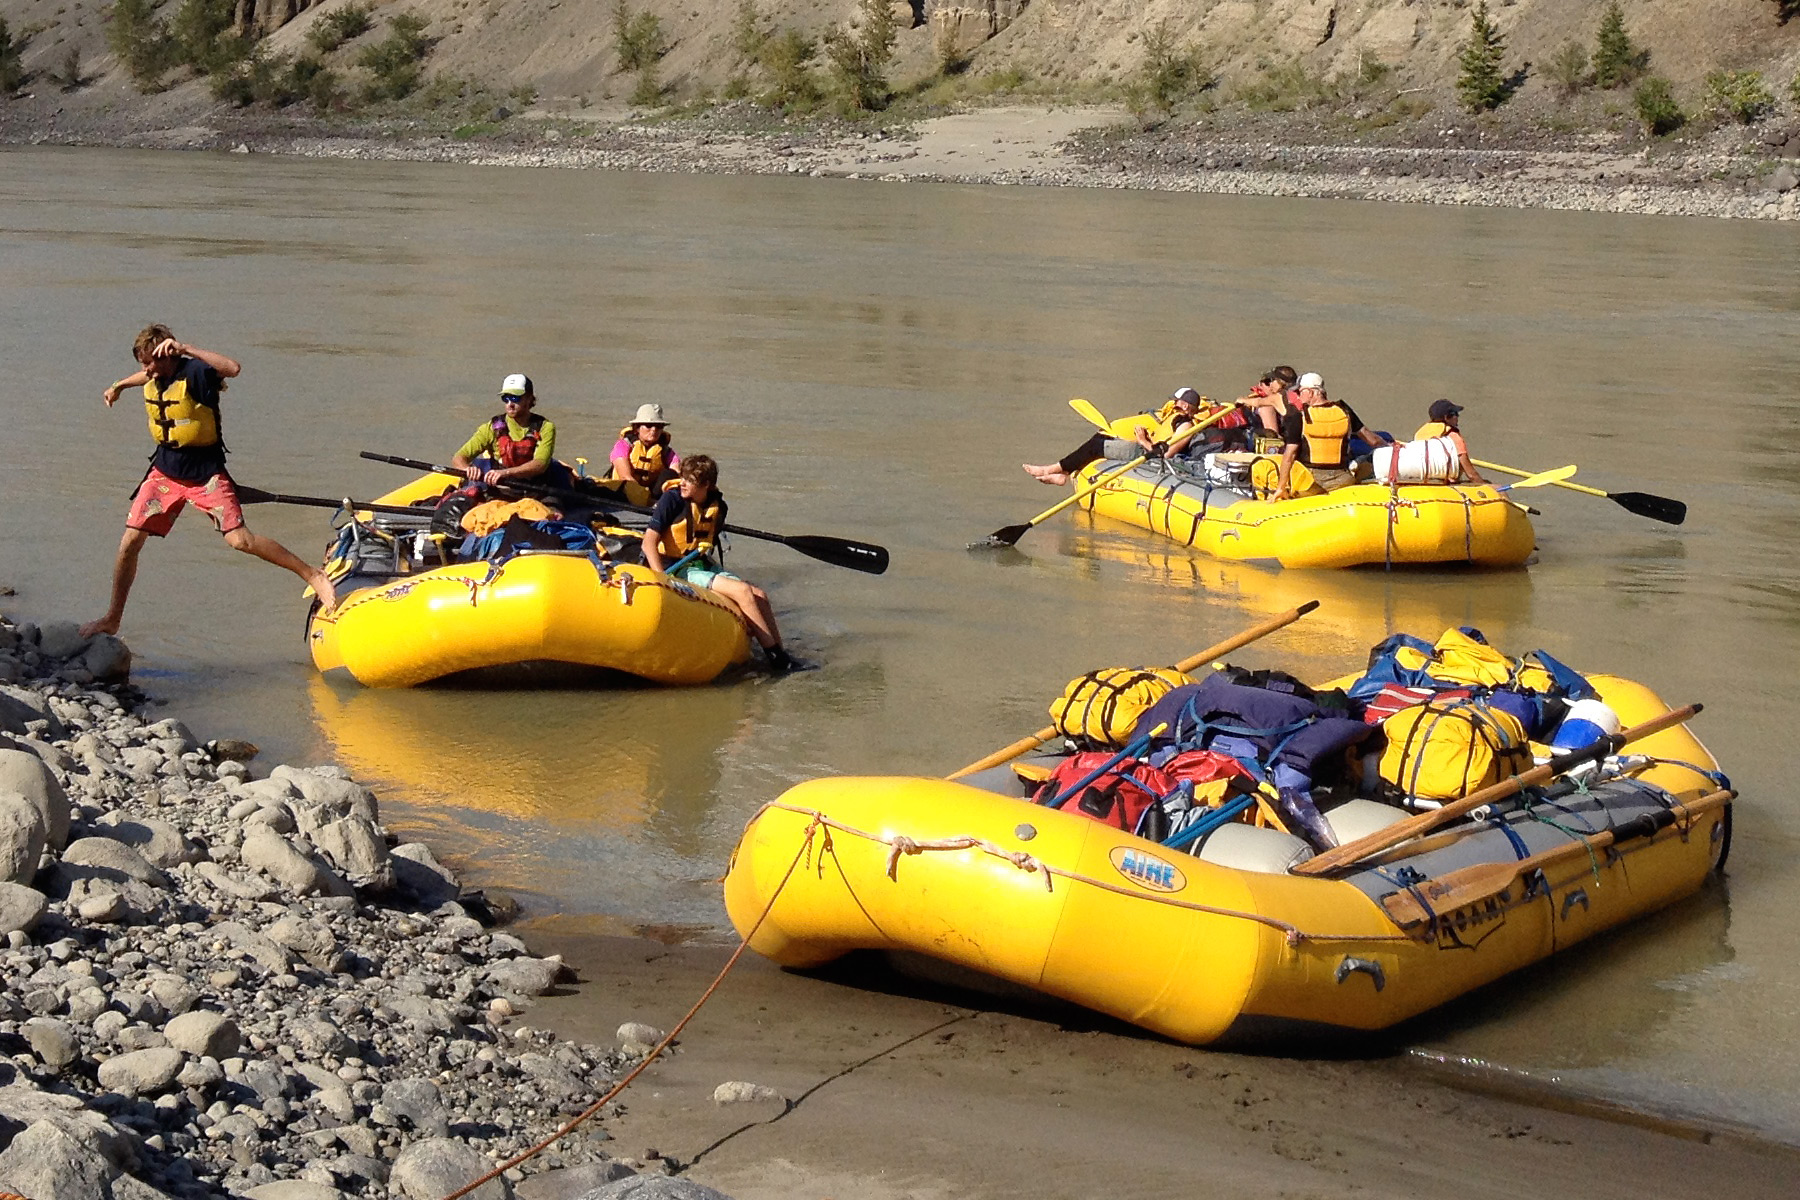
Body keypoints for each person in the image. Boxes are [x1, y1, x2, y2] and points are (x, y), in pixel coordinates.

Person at [80, 325, 337, 638]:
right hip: (165, 472)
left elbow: (233, 368)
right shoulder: (154, 374)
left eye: (152, 362)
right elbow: (143, 378)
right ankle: (112, 618)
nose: (147, 370)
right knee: (130, 541)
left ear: (170, 356)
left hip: (205, 474)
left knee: (240, 541)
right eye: (143, 363)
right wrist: (118, 386)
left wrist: (186, 347)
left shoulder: (197, 374)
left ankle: (312, 575)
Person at [641, 455, 794, 672]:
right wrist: (662, 581)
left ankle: (782, 652)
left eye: (689, 480)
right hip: (674, 568)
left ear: (706, 485)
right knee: (742, 591)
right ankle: (777, 660)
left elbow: (705, 544)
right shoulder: (672, 500)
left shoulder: (719, 507)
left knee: (759, 595)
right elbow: (648, 544)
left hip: (699, 564)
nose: (682, 483)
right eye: (682, 477)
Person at [1023, 387, 1242, 487]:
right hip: (1146, 447)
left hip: (1146, 455)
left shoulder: (1186, 427)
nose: (1172, 404)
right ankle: (1063, 471)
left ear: (1184, 405)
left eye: (1175, 401)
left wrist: (1142, 440)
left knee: (1096, 446)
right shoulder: (1176, 420)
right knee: (1098, 441)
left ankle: (1055, 470)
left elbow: (1167, 454)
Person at [1273, 372, 1393, 500]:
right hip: (1342, 480)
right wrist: (1391, 448)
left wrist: (1281, 487)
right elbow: (1373, 441)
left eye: (1300, 392)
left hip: (1311, 482)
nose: (1298, 397)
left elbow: (1289, 455)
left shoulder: (1298, 416)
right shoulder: (1344, 410)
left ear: (1310, 392)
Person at [451, 374, 565, 489]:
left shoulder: (545, 427)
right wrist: (467, 469)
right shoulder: (491, 427)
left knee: (553, 507)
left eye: (516, 398)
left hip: (535, 488)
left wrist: (506, 473)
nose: (510, 404)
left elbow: (540, 465)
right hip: (500, 489)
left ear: (529, 399)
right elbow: (459, 457)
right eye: (506, 398)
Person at [607, 403, 680, 507]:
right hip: (624, 493)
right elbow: (625, 476)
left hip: (653, 497)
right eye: (649, 426)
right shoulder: (623, 446)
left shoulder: (666, 452)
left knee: (670, 474)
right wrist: (645, 499)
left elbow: (677, 472)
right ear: (637, 428)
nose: (654, 430)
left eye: (659, 426)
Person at [1411, 399, 1489, 486]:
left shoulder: (1421, 434)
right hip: (1447, 483)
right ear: (1446, 417)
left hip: (1425, 481)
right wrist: (1486, 486)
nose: (1458, 416)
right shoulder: (1454, 437)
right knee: (1492, 485)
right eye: (1455, 414)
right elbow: (1471, 474)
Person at [1243, 366, 1298, 452]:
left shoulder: (1271, 404)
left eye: (1271, 381)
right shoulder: (1268, 406)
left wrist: (1242, 400)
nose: (1270, 385)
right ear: (1260, 384)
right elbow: (1273, 436)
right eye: (1267, 382)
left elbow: (1273, 437)